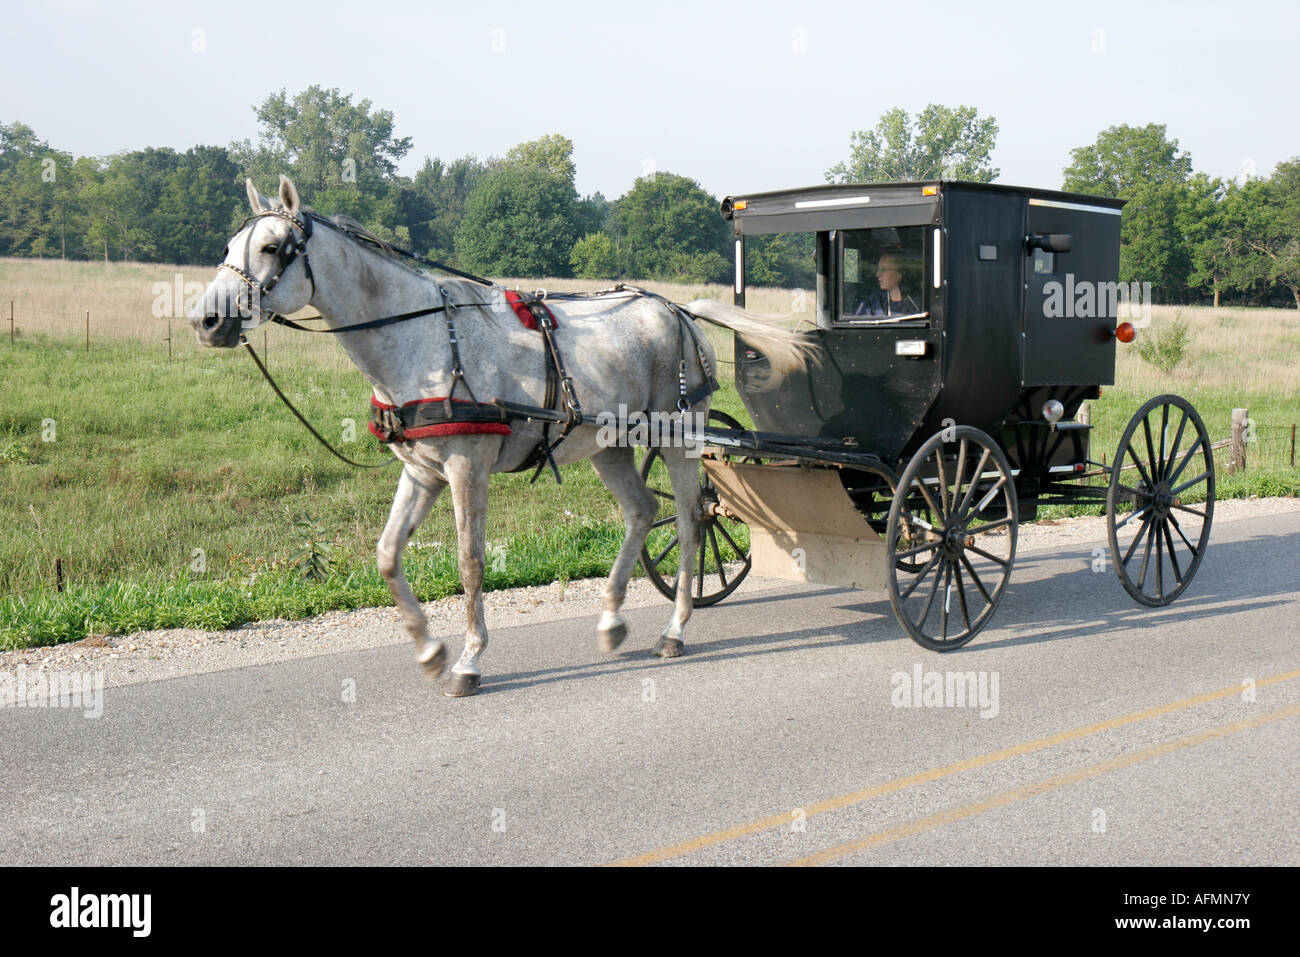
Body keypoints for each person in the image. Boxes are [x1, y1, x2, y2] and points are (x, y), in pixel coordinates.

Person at [854, 253, 920, 316]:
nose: (878, 274)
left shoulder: (918, 304)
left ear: (900, 272)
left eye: (883, 270)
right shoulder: (873, 303)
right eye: (878, 270)